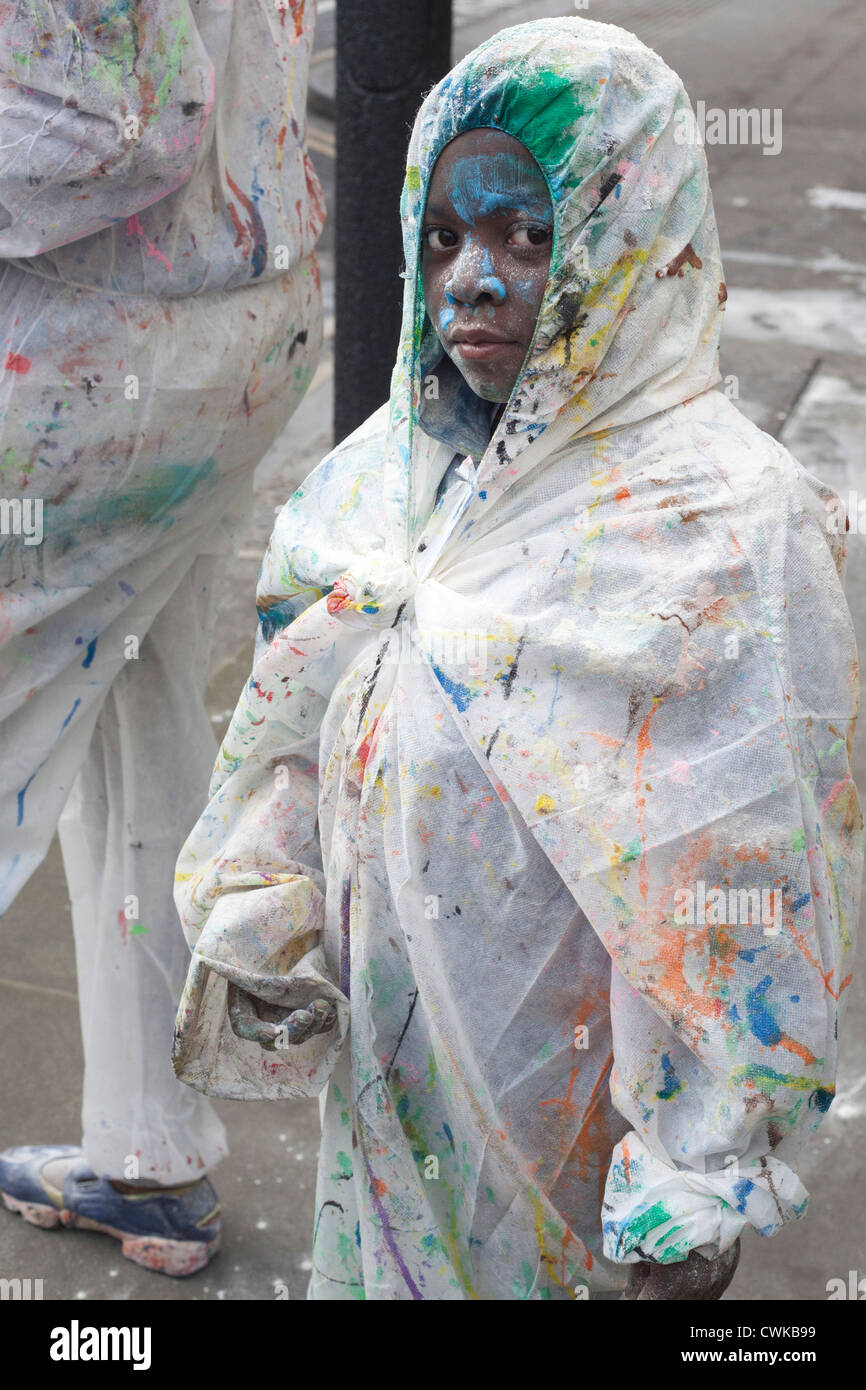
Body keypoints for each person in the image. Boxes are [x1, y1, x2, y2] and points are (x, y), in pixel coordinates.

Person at [171, 16, 863, 1300]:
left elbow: (754, 879)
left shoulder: (725, 526)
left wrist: (696, 1168)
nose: (470, 282)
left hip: (577, 1122)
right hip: (391, 1087)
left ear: (634, 234)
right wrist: (265, 904)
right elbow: (293, 717)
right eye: (443, 237)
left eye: (526, 236)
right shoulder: (381, 480)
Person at [0, 0, 323, 1276]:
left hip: (85, 358)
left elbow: (120, 117)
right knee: (137, 718)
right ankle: (152, 1155)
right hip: (220, 328)